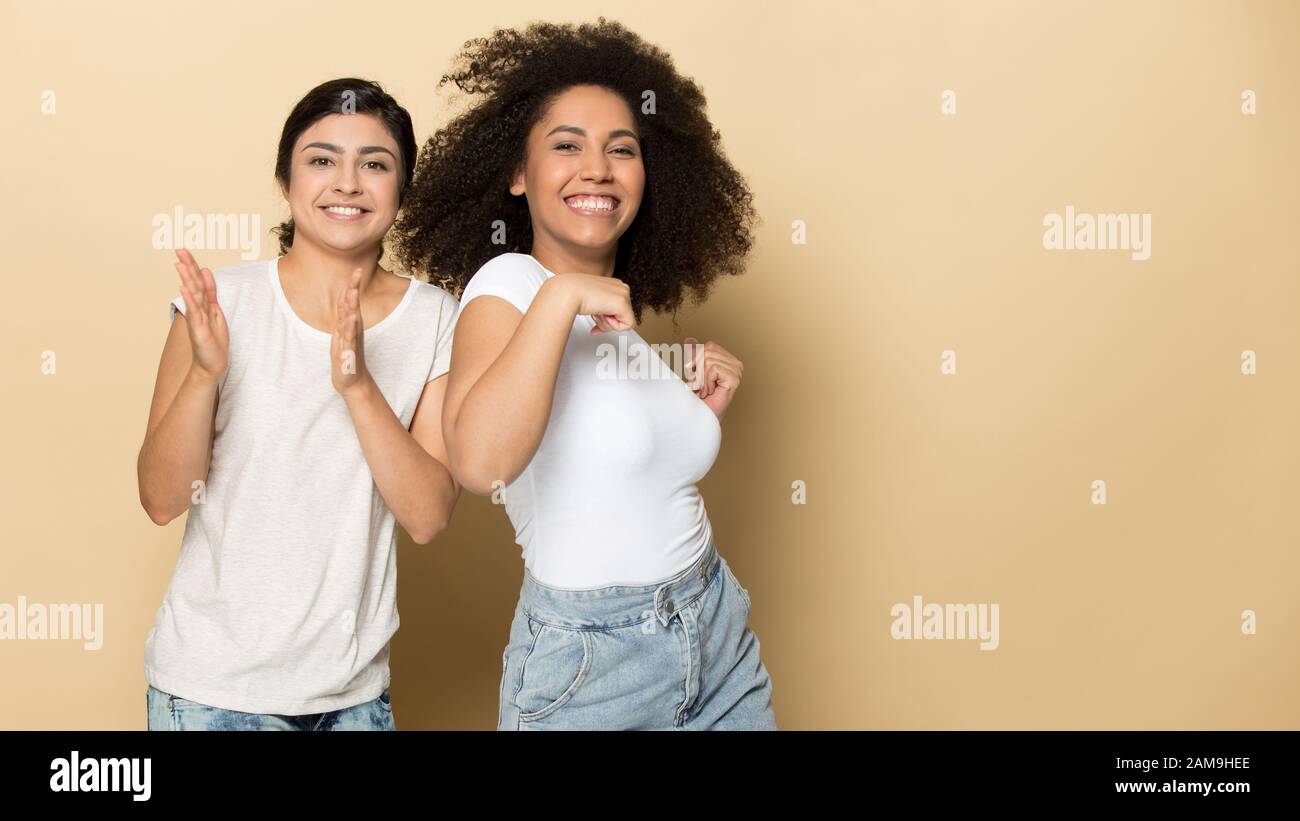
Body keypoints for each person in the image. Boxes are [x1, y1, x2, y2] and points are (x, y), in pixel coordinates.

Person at [393, 19, 776, 730]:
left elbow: (610, 469)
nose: (596, 168)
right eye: (565, 145)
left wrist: (694, 414)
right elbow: (479, 461)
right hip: (593, 665)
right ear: (517, 174)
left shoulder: (617, 316)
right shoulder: (509, 285)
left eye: (621, 150)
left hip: (714, 628)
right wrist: (561, 293)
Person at [137, 78, 459, 730]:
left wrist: (359, 387)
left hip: (353, 699)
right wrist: (205, 375)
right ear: (286, 182)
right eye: (321, 160)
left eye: (374, 163)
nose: (347, 182)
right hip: (209, 693)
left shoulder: (435, 317)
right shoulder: (220, 303)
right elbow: (161, 498)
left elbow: (427, 515)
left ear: (402, 191)